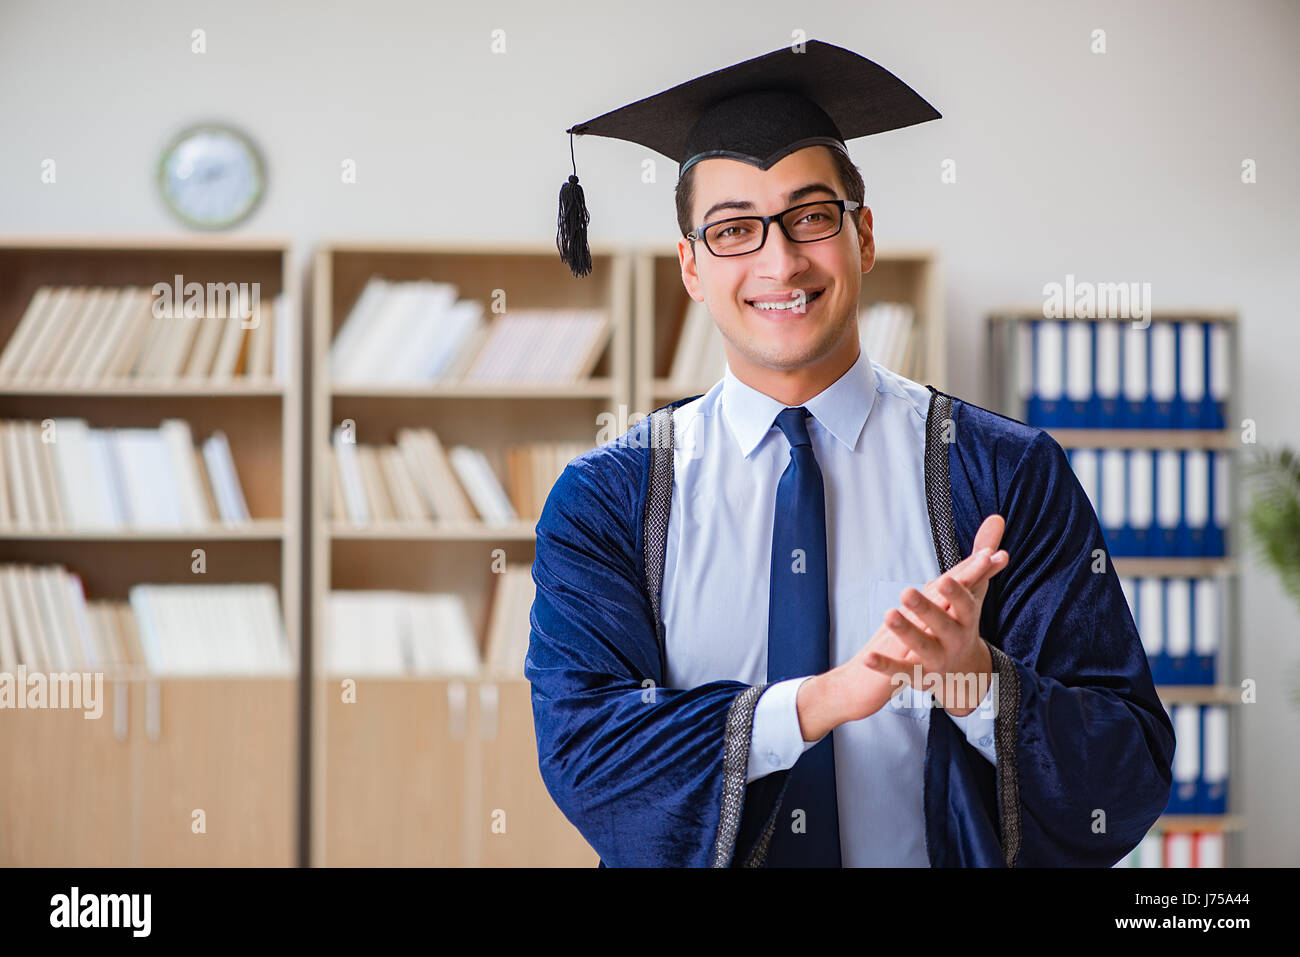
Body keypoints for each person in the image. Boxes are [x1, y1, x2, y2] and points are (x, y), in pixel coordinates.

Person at [527, 39, 1175, 867]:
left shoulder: (1005, 474)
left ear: (863, 236)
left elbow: (1127, 773)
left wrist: (976, 682)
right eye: (733, 230)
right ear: (689, 267)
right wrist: (822, 700)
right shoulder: (608, 501)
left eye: (811, 216)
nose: (780, 258)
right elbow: (589, 755)